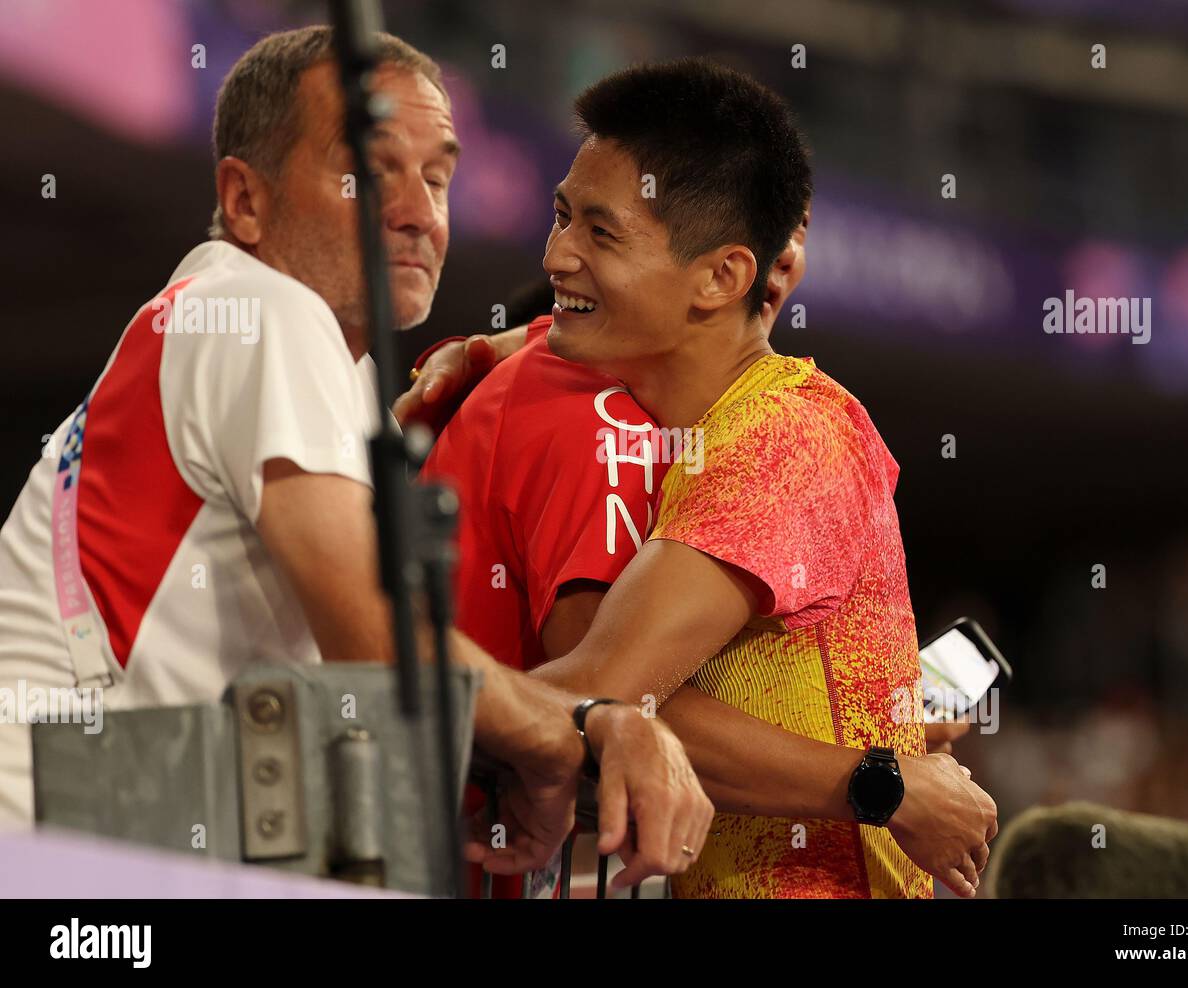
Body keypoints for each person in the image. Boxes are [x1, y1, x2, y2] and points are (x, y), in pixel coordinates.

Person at [0, 27, 713, 887]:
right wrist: (584, 727)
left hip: (111, 825)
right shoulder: (260, 311)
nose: (420, 211)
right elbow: (380, 648)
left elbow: (337, 688)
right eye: (371, 171)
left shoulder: (261, 334)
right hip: (65, 844)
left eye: (439, 175)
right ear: (246, 199)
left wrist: (499, 761)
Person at [443, 58, 996, 899]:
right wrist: (493, 347)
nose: (557, 254)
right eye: (562, 216)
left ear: (722, 277)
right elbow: (630, 710)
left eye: (600, 232)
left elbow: (597, 693)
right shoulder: (671, 424)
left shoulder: (785, 441)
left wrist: (385, 705)